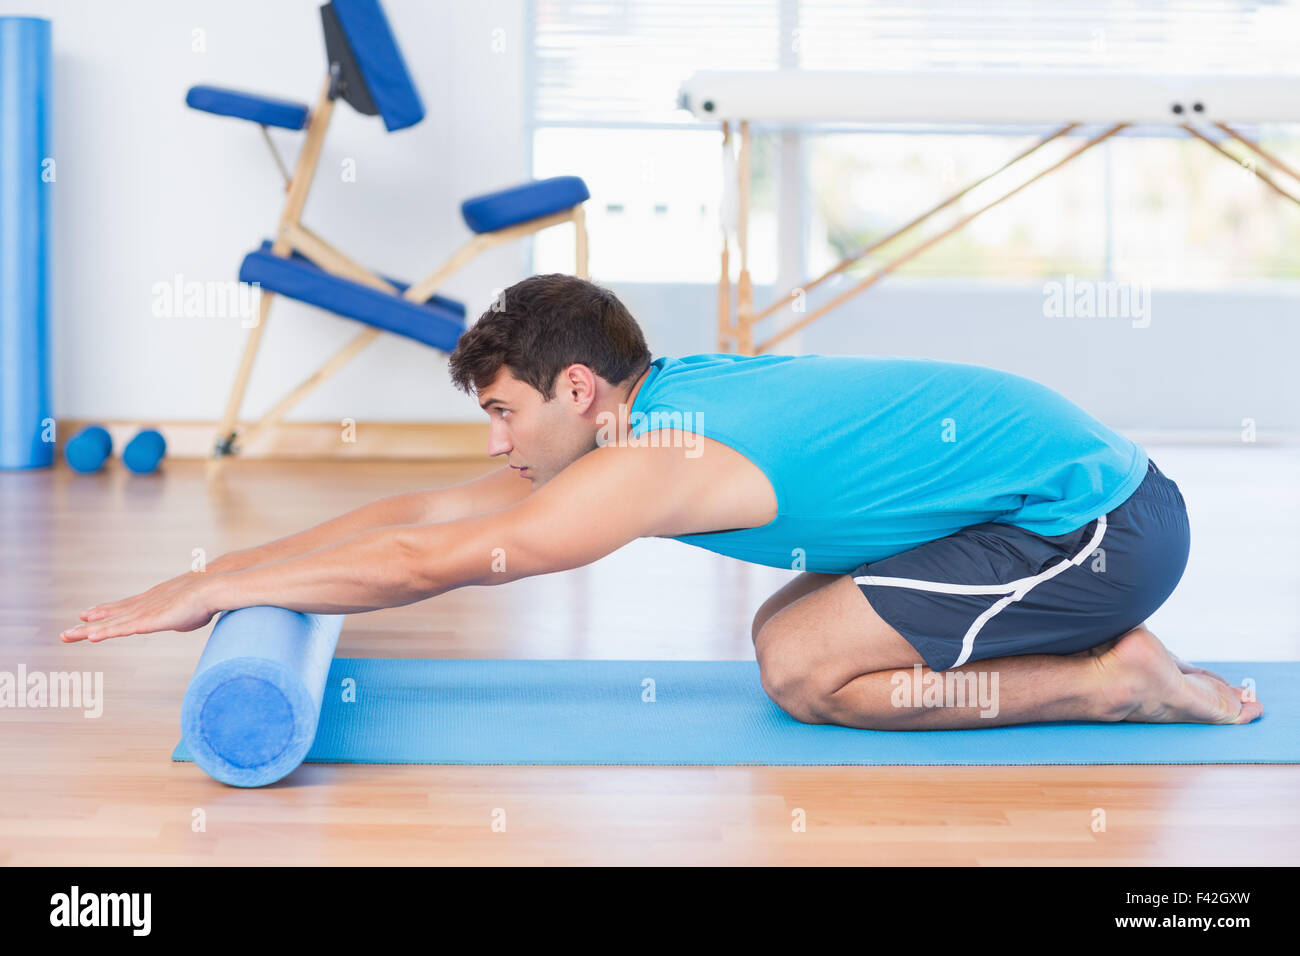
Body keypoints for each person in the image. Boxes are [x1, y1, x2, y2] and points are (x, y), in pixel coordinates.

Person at [62, 274, 1261, 730]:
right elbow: (434, 510)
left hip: (1100, 528)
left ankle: (1114, 680)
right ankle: (1097, 656)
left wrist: (220, 589)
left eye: (504, 413)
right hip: (1017, 504)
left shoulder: (658, 455)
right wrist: (222, 564)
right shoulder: (653, 400)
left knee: (806, 676)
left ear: (577, 388)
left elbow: (453, 560)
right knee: (788, 640)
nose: (497, 442)